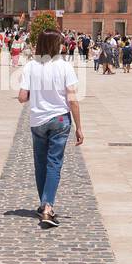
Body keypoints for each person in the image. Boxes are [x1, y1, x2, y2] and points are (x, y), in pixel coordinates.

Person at [18, 30, 84, 229]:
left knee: (40, 163)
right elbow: (72, 99)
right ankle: (48, 207)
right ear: (56, 45)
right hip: (60, 119)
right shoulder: (65, 66)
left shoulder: (30, 66)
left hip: (38, 120)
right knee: (54, 163)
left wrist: (38, 95)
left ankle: (43, 204)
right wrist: (79, 127)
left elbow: (22, 97)